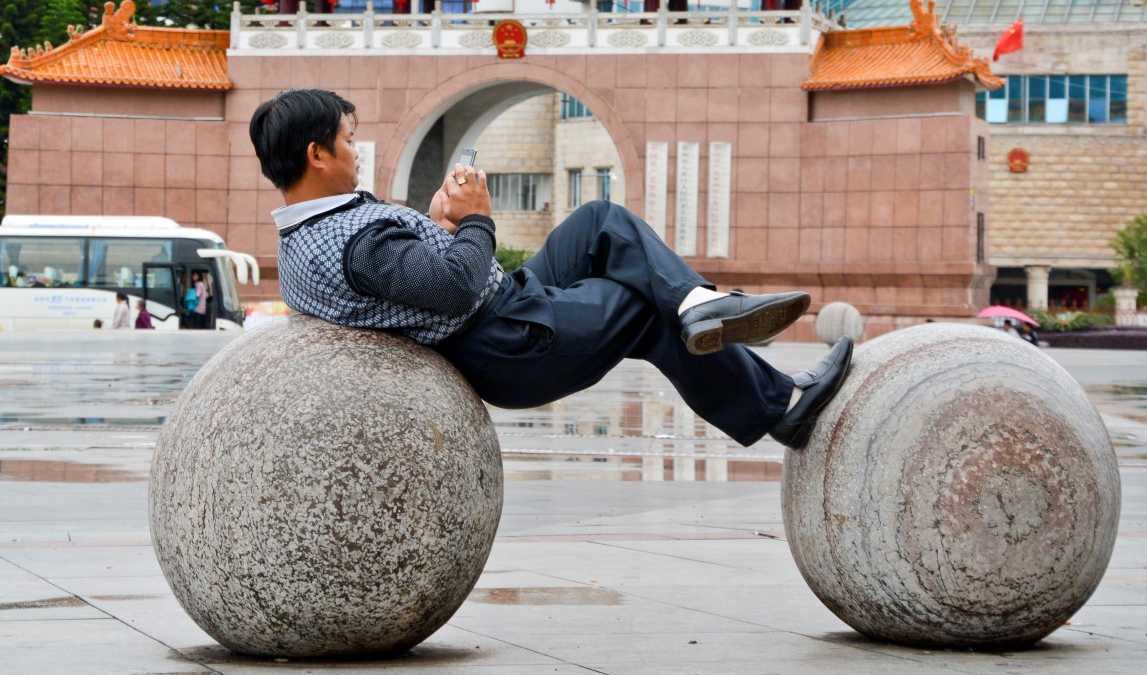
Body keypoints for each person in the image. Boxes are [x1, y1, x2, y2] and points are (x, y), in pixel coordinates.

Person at [249, 89, 853, 450]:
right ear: (317, 153)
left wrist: (439, 225)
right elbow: (455, 287)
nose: (357, 151)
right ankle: (777, 404)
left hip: (508, 304)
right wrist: (477, 219)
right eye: (349, 140)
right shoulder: (353, 240)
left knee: (599, 220)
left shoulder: (306, 233)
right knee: (646, 305)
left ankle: (697, 304)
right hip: (507, 339)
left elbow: (406, 288)